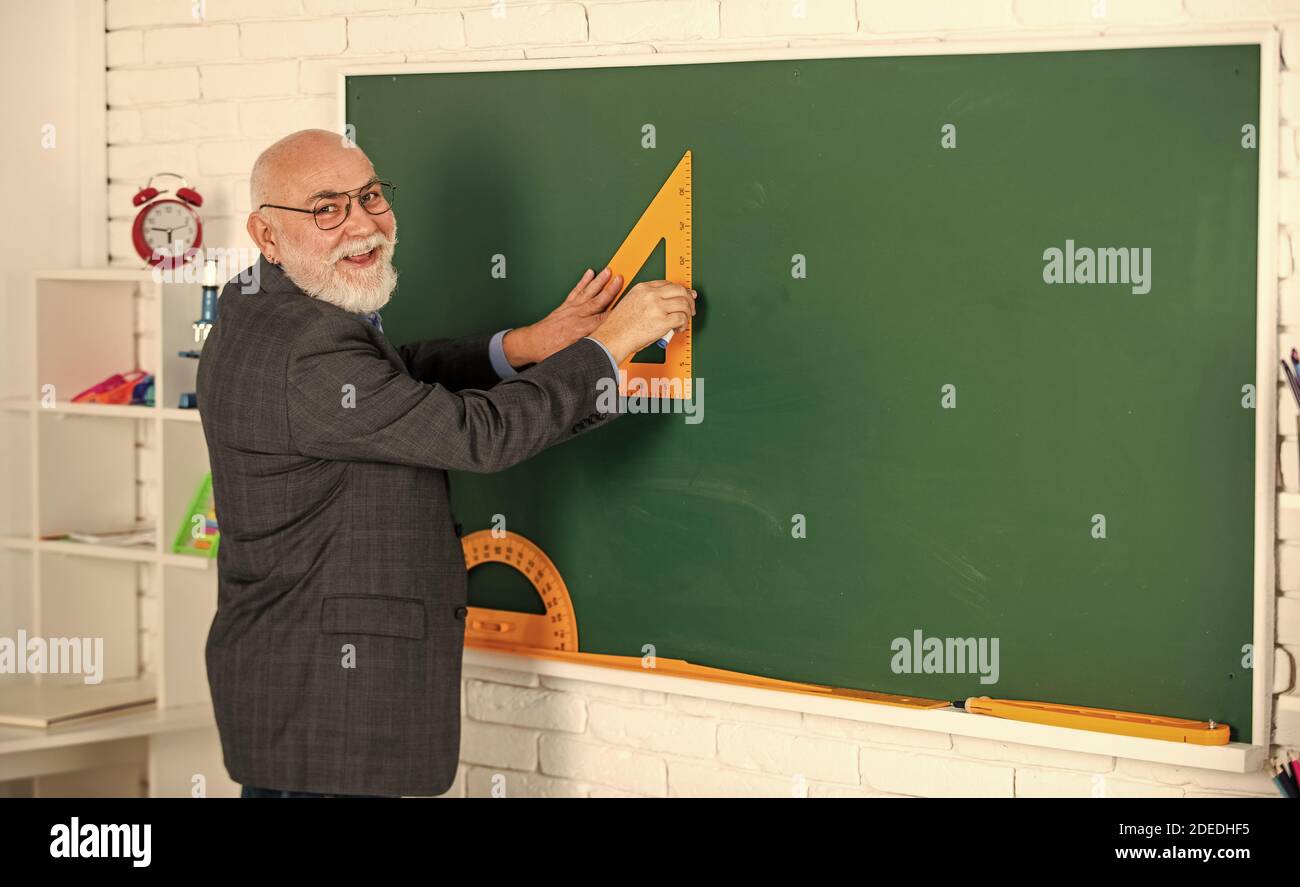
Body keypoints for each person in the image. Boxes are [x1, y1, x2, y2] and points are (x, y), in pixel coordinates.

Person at [196, 128, 695, 797]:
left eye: (370, 195)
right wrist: (608, 345)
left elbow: (384, 381)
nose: (363, 224)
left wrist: (522, 345)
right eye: (326, 208)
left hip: (296, 698)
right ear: (267, 233)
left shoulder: (261, 302)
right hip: (328, 711)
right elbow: (476, 436)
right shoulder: (306, 349)